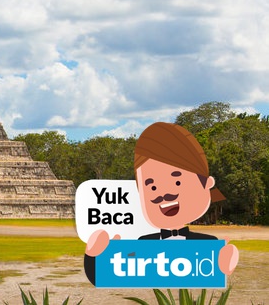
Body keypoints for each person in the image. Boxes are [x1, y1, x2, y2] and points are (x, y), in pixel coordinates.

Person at [83, 122, 238, 285]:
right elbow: (111, 273)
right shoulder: (144, 243)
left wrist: (224, 264)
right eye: (152, 186)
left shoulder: (208, 245)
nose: (163, 194)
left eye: (177, 182)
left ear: (206, 183)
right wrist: (95, 257)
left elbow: (215, 273)